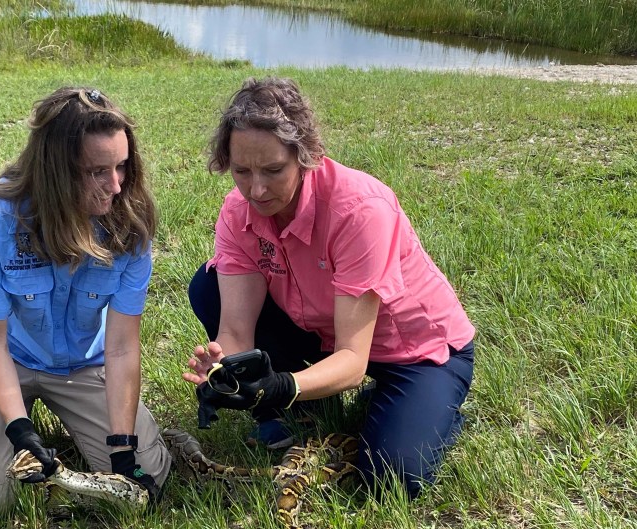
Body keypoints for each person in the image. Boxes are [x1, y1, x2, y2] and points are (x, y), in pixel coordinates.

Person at [183, 77, 475, 498]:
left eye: (273, 170)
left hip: (414, 352)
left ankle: (431, 407)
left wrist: (283, 385)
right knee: (208, 287)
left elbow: (354, 361)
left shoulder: (358, 210)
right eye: (241, 171)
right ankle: (302, 409)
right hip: (323, 333)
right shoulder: (238, 212)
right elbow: (235, 331)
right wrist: (224, 370)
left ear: (306, 156)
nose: (256, 189)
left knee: (392, 479)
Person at [0, 87, 170, 515]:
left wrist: (122, 449)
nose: (115, 186)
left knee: (147, 473)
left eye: (121, 167)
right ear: (54, 169)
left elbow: (121, 345)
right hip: (2, 354)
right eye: (97, 171)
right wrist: (20, 430)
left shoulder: (131, 225)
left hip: (81, 361)